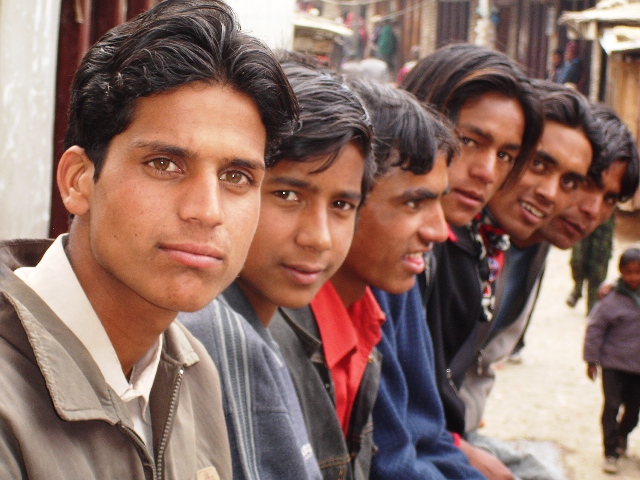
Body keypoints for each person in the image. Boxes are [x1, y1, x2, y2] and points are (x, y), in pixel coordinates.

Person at [0, 1, 299, 478]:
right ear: (78, 180)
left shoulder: (191, 368)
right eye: (164, 164)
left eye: (237, 176)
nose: (206, 210)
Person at [180, 61, 374, 480]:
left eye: (342, 205)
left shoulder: (270, 333)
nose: (318, 237)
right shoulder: (209, 336)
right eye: (287, 194)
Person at [269, 78, 462, 479]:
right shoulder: (267, 329)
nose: (440, 232)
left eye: (339, 204)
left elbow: (427, 437)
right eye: (413, 202)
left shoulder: (372, 310)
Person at [461, 85, 639, 479]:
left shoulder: (533, 248)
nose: (593, 209)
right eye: (585, 184)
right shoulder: (464, 239)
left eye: (610, 199)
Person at [402, 42, 543, 478]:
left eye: (505, 155)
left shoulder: (473, 248)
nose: (486, 171)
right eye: (469, 141)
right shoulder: (393, 251)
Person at [584, 247, 640, 474]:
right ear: (620, 273)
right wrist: (591, 359)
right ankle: (610, 452)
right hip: (613, 365)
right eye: (628, 272)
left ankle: (621, 434)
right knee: (611, 406)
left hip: (638, 368)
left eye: (638, 272)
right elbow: (594, 330)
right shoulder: (611, 300)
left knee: (633, 412)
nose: (633, 277)